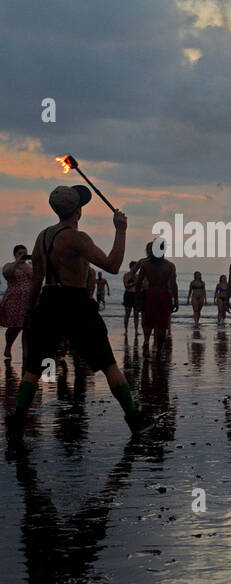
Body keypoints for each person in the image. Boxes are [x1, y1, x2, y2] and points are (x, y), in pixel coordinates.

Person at [5, 185, 152, 443]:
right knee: (108, 363)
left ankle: (17, 422)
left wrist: (30, 312)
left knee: (33, 368)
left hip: (48, 302)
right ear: (78, 212)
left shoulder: (41, 237)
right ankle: (134, 419)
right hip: (75, 303)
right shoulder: (77, 238)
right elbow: (113, 265)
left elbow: (37, 279)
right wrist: (120, 230)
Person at [137, 238, 178, 354]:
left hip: (152, 294)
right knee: (160, 324)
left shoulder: (146, 265)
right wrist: (176, 299)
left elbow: (139, 283)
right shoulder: (169, 266)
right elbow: (173, 285)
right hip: (162, 295)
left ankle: (150, 344)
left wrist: (137, 300)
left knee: (152, 322)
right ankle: (157, 349)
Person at [1, 245, 34, 362]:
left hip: (28, 301)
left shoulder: (29, 266)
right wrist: (17, 263)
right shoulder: (9, 265)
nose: (22, 255)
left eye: (24, 253)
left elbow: (36, 279)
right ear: (15, 255)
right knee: (15, 326)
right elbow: (7, 274)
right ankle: (8, 346)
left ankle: (26, 351)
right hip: (14, 300)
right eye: (20, 253)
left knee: (27, 326)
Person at [121, 259, 141, 331]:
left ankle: (136, 330)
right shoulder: (126, 275)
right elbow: (126, 286)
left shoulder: (138, 276)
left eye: (137, 267)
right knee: (127, 314)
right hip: (128, 294)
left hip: (136, 295)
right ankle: (126, 330)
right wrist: (135, 283)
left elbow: (140, 286)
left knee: (136, 314)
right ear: (131, 267)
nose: (136, 268)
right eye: (134, 267)